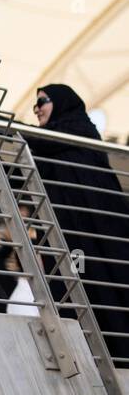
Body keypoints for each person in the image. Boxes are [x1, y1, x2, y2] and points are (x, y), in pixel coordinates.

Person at [29, 85, 129, 362]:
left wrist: (3, 129)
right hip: (68, 235)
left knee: (105, 287)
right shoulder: (46, 144)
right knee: (76, 291)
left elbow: (45, 141)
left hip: (99, 233)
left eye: (41, 101)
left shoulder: (79, 129)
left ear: (62, 103)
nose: (36, 109)